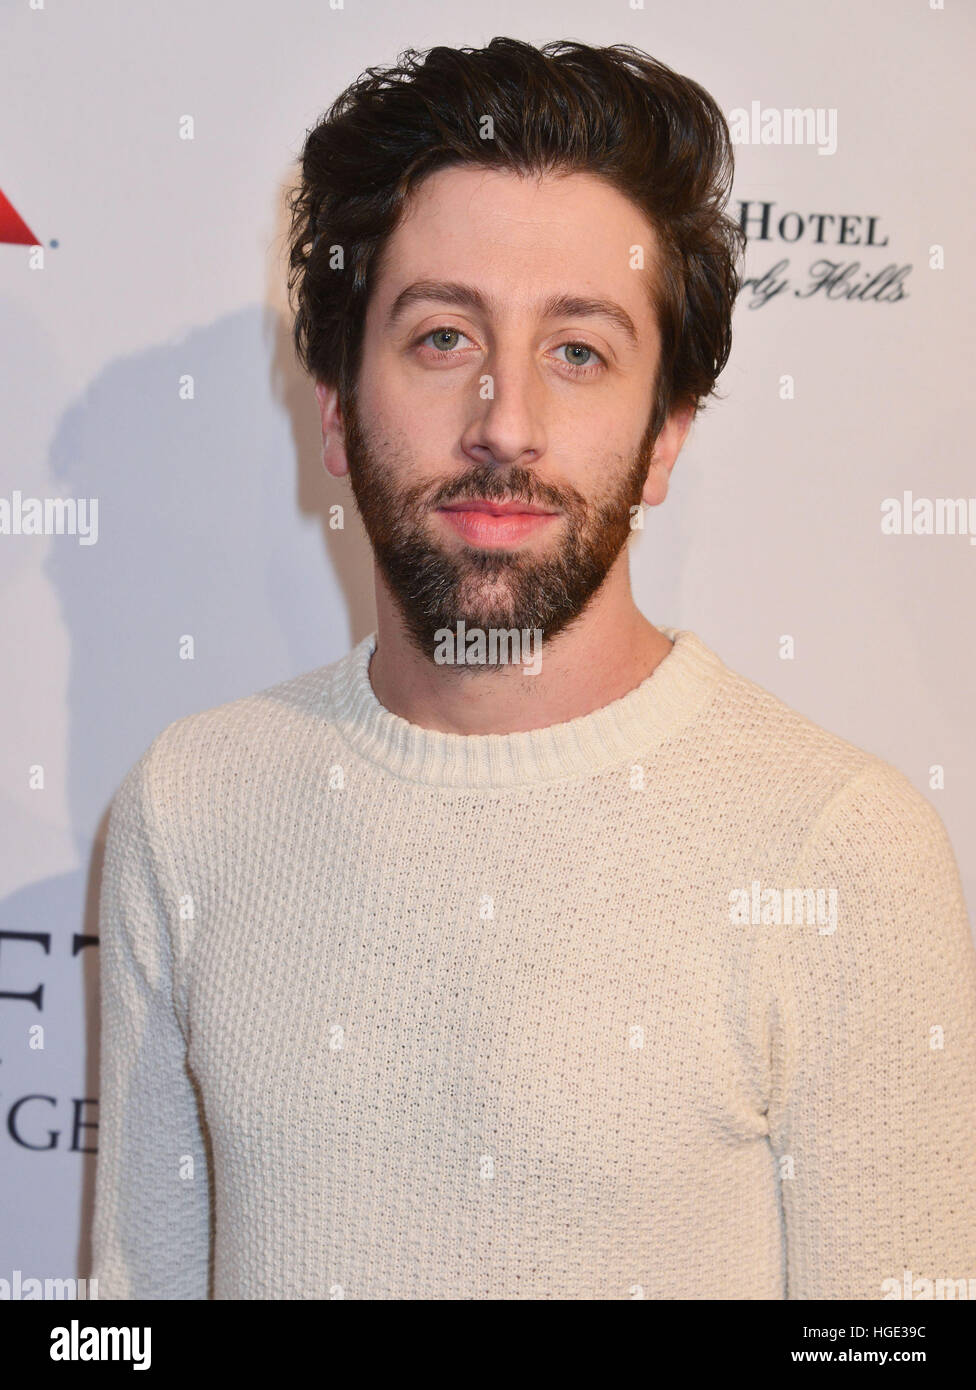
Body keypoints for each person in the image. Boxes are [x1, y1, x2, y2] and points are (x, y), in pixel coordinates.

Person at [91, 36, 976, 1300]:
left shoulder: (836, 849)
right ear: (336, 407)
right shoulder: (193, 804)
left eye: (578, 352)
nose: (505, 423)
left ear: (664, 436)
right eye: (443, 337)